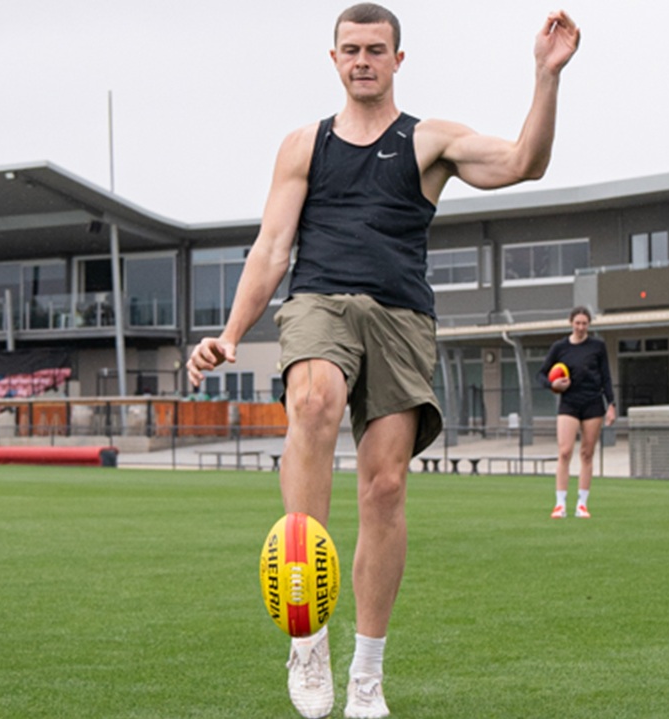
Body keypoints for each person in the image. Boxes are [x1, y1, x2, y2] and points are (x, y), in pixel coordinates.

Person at [185, 5, 578, 717]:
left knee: (385, 488)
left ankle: (367, 674)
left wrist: (545, 77)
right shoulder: (304, 146)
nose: (362, 60)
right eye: (350, 50)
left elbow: (525, 161)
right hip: (319, 302)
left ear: (399, 59)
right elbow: (272, 248)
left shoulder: (429, 141)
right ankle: (307, 634)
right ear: (333, 59)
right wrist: (233, 332)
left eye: (376, 49)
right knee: (312, 401)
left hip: (401, 317)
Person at [540, 306, 615, 519]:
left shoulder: (598, 347)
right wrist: (554, 385)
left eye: (584, 323)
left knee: (587, 453)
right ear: (571, 323)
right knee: (564, 452)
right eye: (577, 323)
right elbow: (541, 375)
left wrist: (611, 404)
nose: (581, 327)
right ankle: (560, 504)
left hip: (593, 403)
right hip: (569, 403)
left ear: (589, 325)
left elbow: (606, 377)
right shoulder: (559, 347)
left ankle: (582, 504)